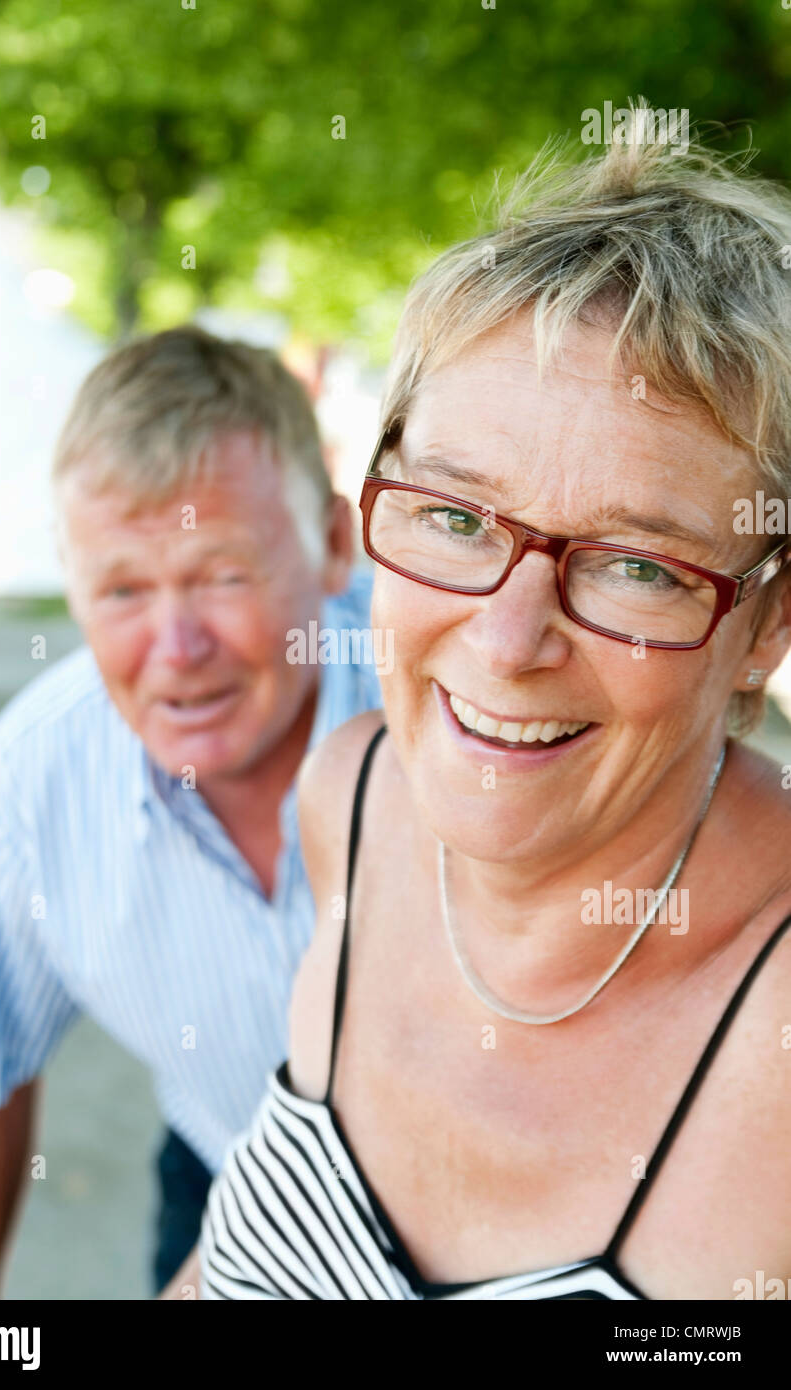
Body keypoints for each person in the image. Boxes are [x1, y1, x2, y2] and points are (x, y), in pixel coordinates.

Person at [198, 110, 791, 1300]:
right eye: (458, 518)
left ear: (764, 626)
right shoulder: (352, 798)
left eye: (636, 562)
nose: (509, 639)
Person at [0, 325, 382, 1298]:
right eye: (123, 587)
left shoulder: (460, 711)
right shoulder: (34, 782)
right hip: (224, 1170)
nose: (174, 646)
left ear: (335, 543)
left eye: (221, 574)